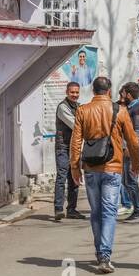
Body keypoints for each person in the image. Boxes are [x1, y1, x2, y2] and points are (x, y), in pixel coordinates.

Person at [69, 76, 139, 274]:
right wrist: (136, 164)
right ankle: (105, 255)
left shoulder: (83, 110)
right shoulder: (121, 111)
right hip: (112, 168)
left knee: (96, 211)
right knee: (109, 211)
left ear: (93, 91)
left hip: (90, 168)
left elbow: (75, 142)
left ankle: (100, 252)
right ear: (109, 91)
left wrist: (75, 168)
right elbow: (133, 142)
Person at [53, 82, 86, 221]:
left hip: (74, 147)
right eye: (72, 92)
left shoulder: (79, 106)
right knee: (62, 176)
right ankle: (58, 209)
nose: (75, 95)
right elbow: (75, 125)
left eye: (77, 92)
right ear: (67, 92)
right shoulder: (62, 107)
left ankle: (72, 209)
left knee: (74, 177)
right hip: (63, 147)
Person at [118, 82, 139, 219]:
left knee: (130, 181)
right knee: (127, 181)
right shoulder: (134, 107)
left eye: (123, 93)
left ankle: (138, 210)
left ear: (129, 95)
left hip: (134, 151)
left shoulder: (137, 108)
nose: (122, 95)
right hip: (131, 149)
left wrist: (131, 148)